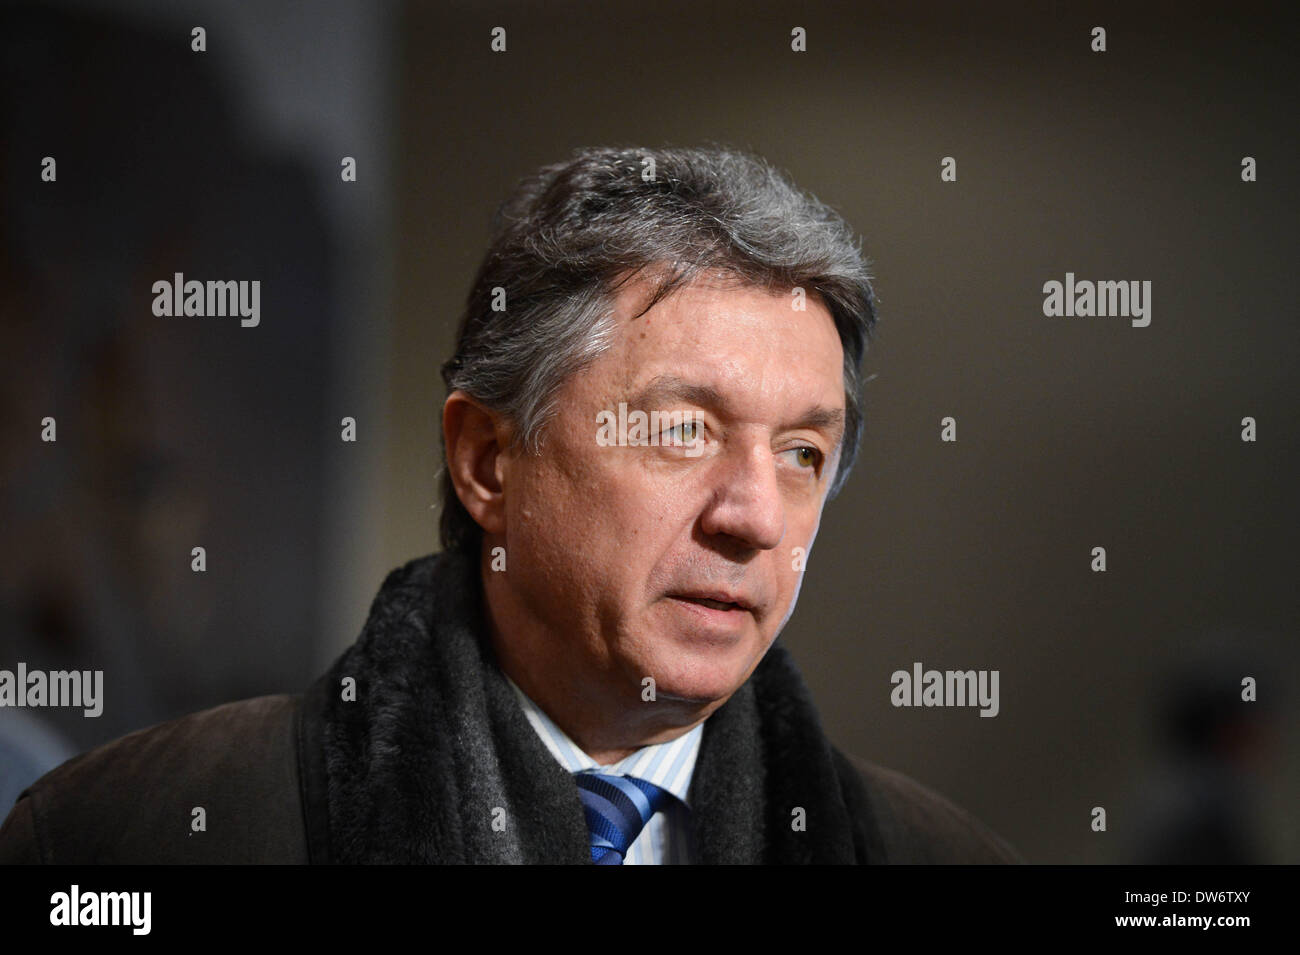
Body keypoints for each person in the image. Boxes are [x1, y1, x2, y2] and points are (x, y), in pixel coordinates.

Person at [0, 146, 1020, 864]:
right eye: (681, 429)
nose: (754, 515)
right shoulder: (132, 833)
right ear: (488, 460)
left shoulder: (940, 854)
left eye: (802, 451)